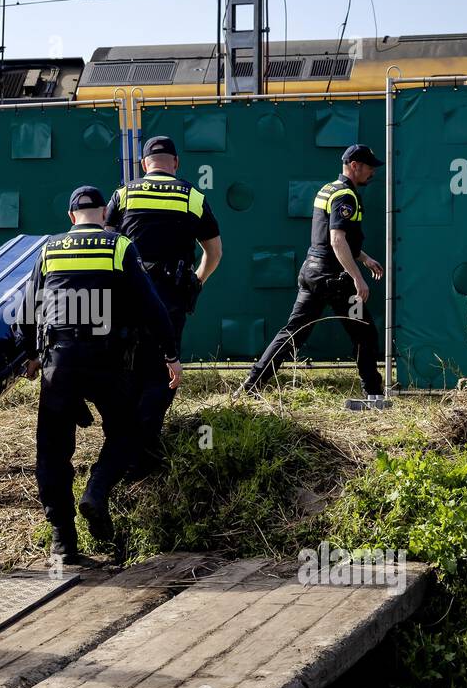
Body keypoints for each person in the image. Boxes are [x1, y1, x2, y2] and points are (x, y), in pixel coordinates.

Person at [21, 186, 182, 565]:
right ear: (104, 215)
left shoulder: (48, 250)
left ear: (70, 216)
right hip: (108, 361)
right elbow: (152, 307)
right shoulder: (120, 247)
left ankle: (62, 539)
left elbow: (29, 305)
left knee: (52, 450)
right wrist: (171, 354)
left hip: (58, 362)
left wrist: (30, 354)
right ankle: (96, 491)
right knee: (125, 433)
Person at [106, 135, 222, 476]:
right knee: (163, 373)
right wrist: (196, 282)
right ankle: (144, 447)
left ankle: (123, 446)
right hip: (170, 298)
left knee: (128, 371)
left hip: (128, 299)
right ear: (175, 163)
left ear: (144, 164)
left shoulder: (123, 194)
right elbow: (214, 253)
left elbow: (105, 244)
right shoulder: (193, 197)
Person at [240, 144, 385, 398]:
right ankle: (373, 394)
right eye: (369, 167)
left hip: (313, 273)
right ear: (354, 166)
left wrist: (363, 258)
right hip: (335, 280)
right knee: (365, 333)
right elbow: (337, 240)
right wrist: (357, 277)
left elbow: (330, 238)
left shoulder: (327, 190)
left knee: (291, 334)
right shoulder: (346, 196)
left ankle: (251, 386)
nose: (372, 172)